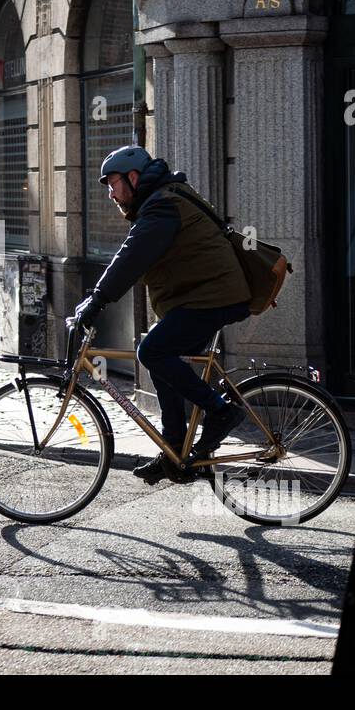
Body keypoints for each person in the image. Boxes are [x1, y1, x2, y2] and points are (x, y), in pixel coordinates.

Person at [74, 145, 252, 485]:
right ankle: (174, 448)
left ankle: (221, 411)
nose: (110, 193)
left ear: (134, 177)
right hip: (206, 295)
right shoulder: (159, 201)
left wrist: (96, 300)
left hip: (215, 296)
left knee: (151, 351)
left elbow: (132, 257)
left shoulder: (162, 207)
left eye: (113, 183)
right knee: (162, 357)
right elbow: (134, 254)